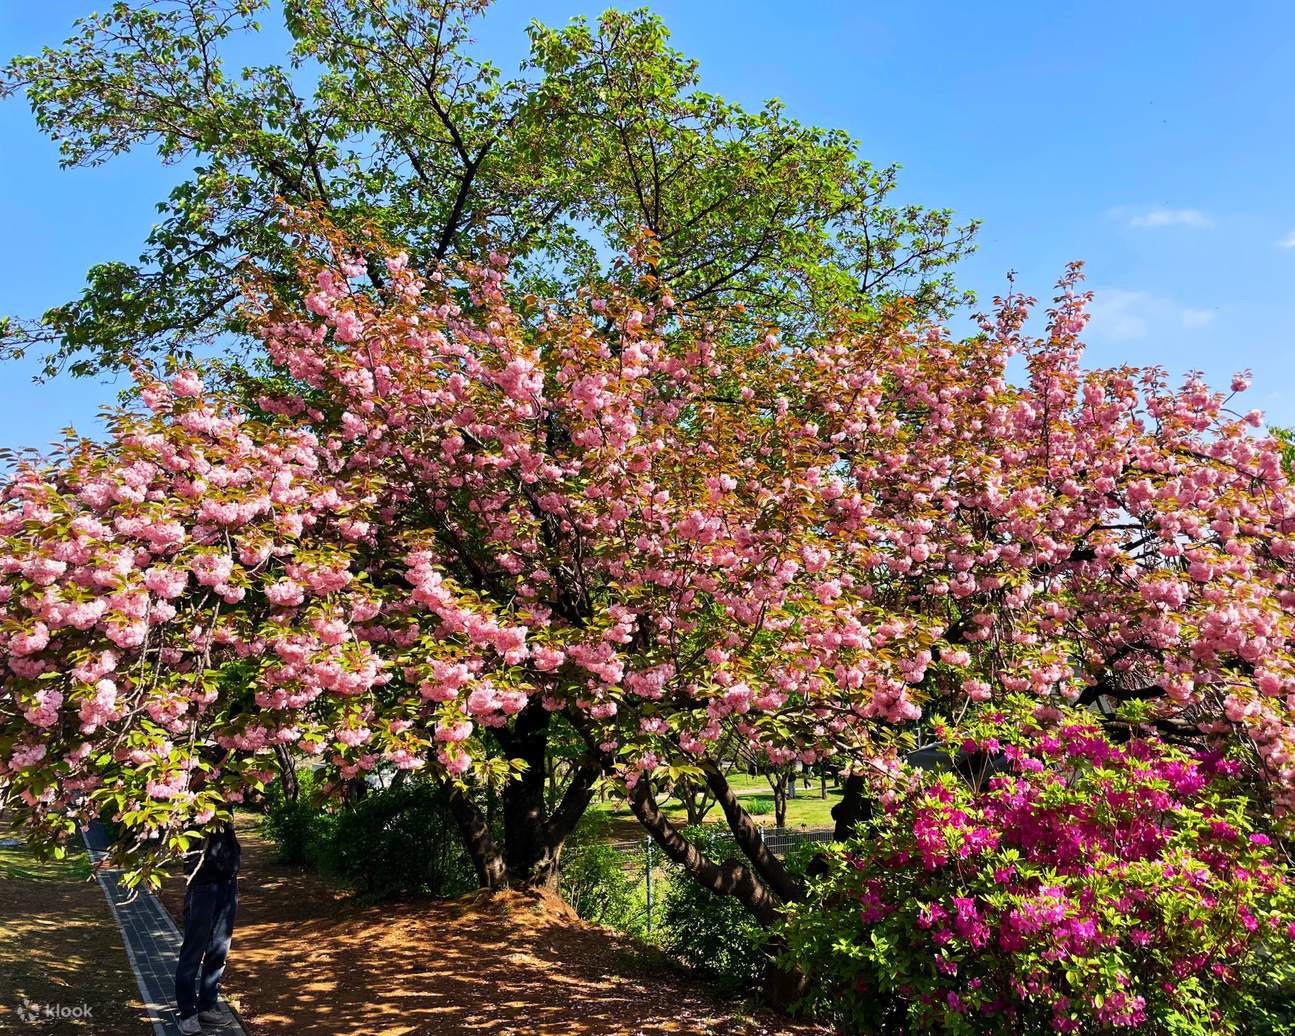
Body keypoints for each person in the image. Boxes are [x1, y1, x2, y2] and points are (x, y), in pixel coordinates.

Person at [174, 820, 240, 1034]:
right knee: (193, 952)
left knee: (219, 950)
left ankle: (207, 1006)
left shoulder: (226, 795)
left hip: (228, 881)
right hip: (201, 884)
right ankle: (187, 1013)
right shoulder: (190, 796)